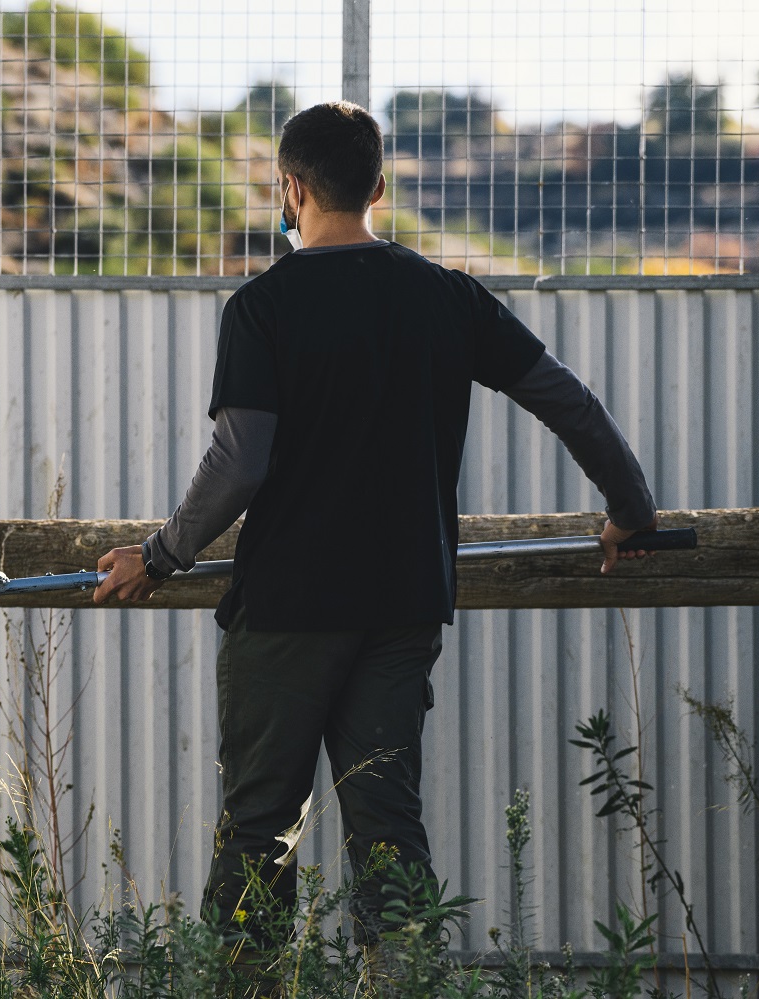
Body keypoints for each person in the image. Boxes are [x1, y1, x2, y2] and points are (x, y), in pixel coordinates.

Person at [92, 101, 659, 984]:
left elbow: (241, 461)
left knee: (258, 829)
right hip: (402, 607)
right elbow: (568, 400)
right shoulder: (449, 296)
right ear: (379, 189)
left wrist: (158, 557)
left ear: (291, 188)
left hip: (287, 610)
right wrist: (632, 508)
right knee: (387, 825)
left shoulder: (264, 307)